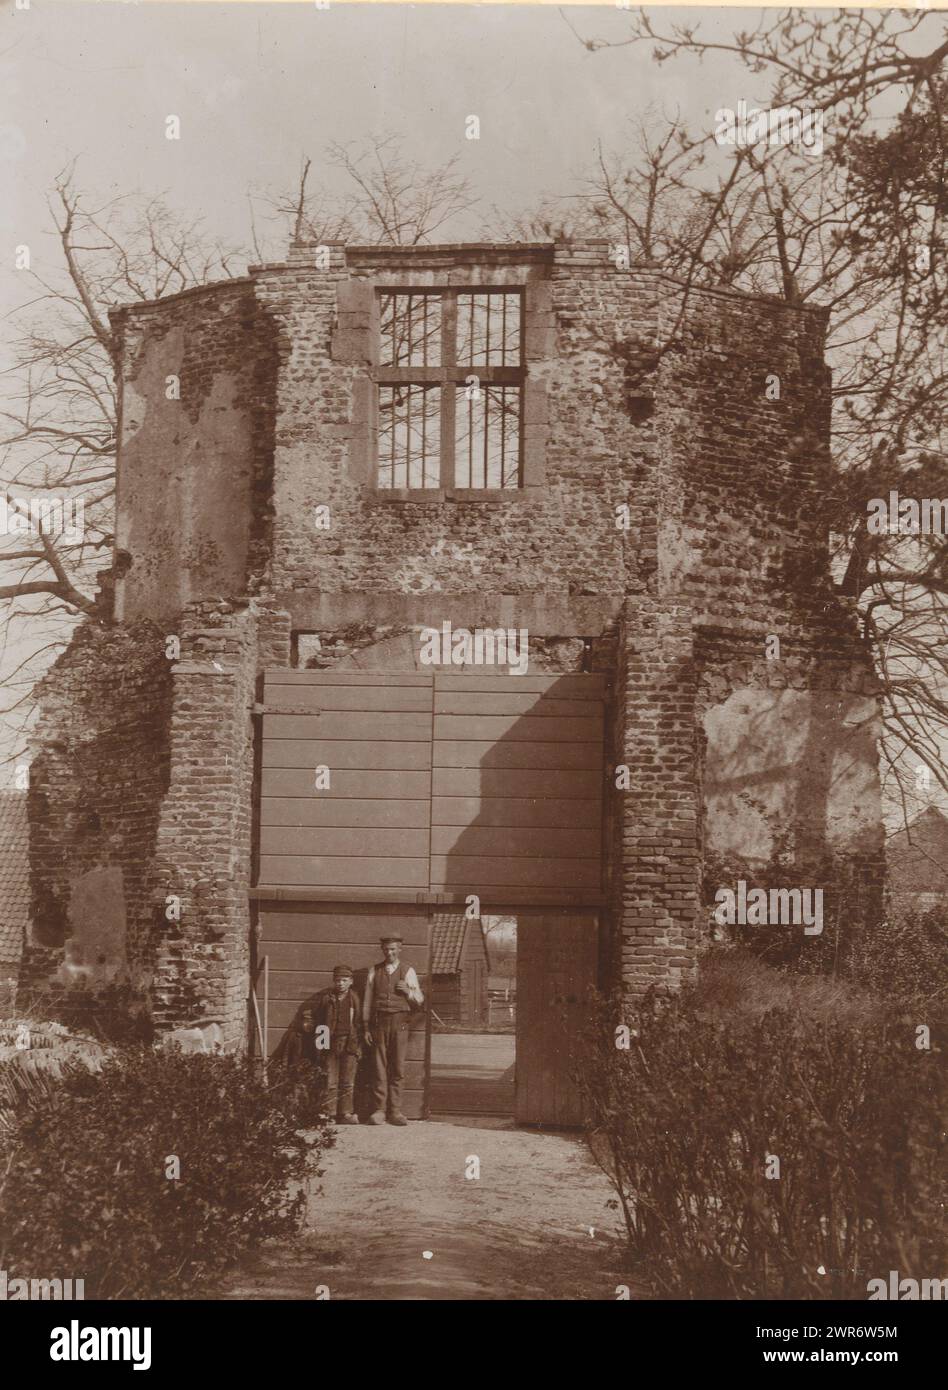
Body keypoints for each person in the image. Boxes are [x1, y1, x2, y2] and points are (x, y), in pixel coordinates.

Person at [280, 965, 362, 1123]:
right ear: (333, 981)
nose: (341, 984)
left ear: (351, 982)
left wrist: (356, 1046)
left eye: (344, 980)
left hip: (349, 1043)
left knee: (347, 1081)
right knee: (330, 1080)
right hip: (330, 1042)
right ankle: (329, 1113)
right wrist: (321, 1045)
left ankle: (345, 1113)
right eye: (338, 980)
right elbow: (319, 1022)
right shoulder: (327, 999)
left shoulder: (354, 999)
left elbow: (358, 1023)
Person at [363, 934, 424, 1125]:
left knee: (397, 1067)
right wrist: (365, 1025)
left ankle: (395, 1111)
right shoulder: (374, 971)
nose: (389, 953)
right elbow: (367, 1000)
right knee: (379, 1067)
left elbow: (420, 1000)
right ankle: (379, 1110)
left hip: (401, 1022)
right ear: (382, 950)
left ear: (400, 950)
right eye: (386, 949)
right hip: (379, 1022)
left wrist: (408, 992)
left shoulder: (407, 971)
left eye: (393, 949)